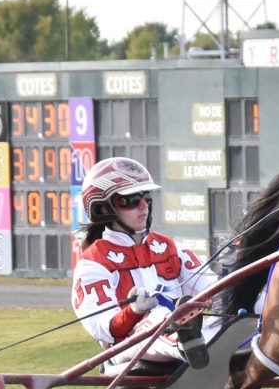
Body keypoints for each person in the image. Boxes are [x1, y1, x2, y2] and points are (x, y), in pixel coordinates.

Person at [71, 156, 217, 373]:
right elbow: (104, 328)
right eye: (130, 200)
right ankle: (182, 342)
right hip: (124, 347)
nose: (143, 206)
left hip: (179, 331)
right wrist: (135, 310)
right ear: (103, 208)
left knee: (230, 316)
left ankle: (192, 337)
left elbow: (211, 287)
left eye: (146, 197)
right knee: (155, 318)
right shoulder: (93, 263)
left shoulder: (168, 247)